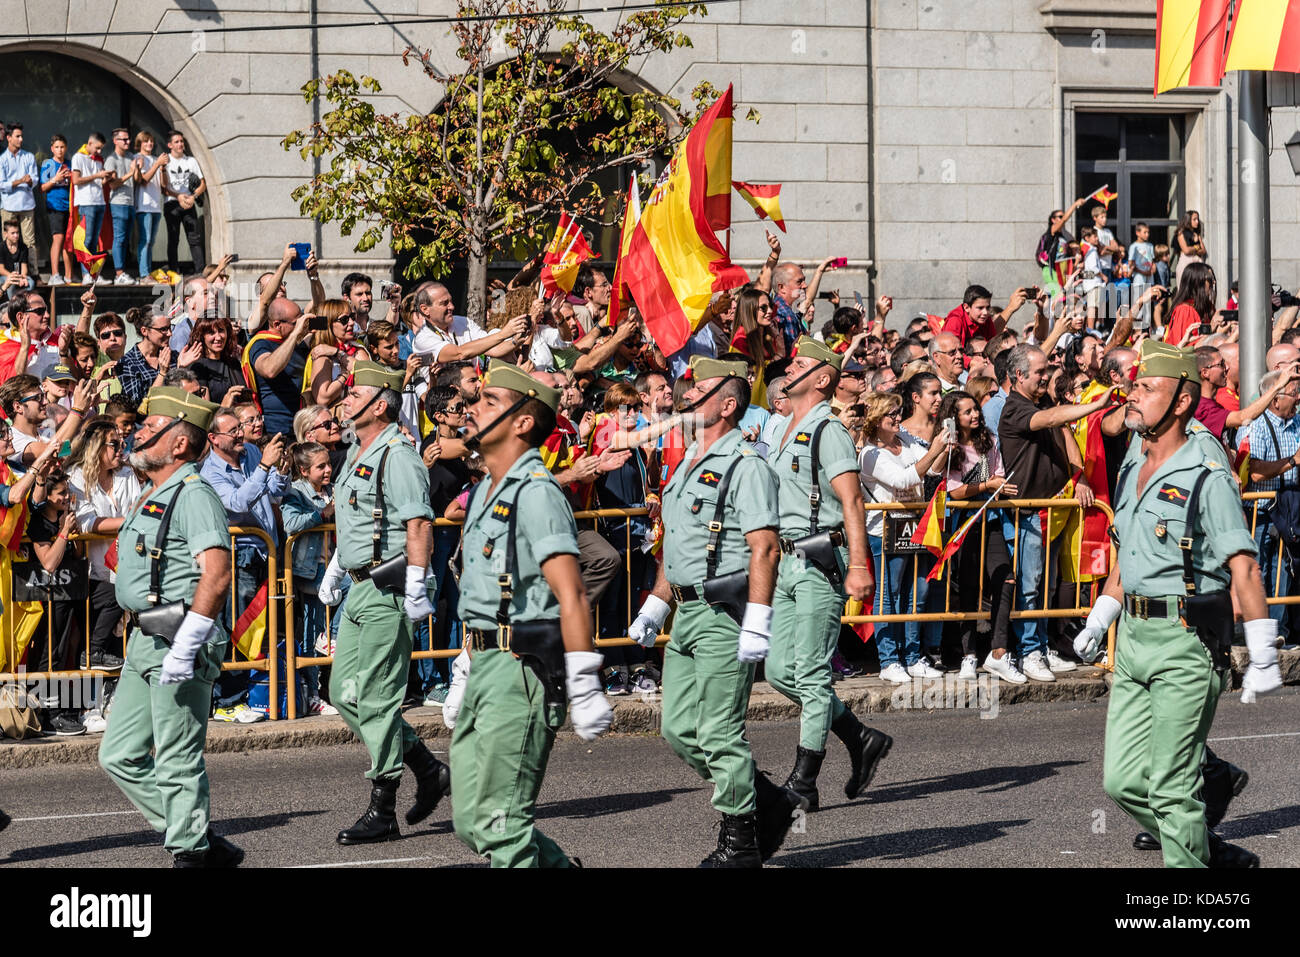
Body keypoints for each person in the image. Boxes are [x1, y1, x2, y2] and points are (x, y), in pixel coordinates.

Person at [1074, 339, 1279, 868]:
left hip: (1185, 641)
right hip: (1134, 640)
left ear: (1182, 400)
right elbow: (1131, 548)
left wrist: (1261, 649)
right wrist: (1104, 612)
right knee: (1121, 782)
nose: (1133, 395)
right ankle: (1210, 853)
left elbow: (1244, 564)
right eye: (1134, 385)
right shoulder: (1131, 464)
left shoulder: (1205, 471)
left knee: (1169, 787)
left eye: (1147, 388)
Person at [629, 355, 803, 867]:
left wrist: (758, 617)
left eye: (699, 391)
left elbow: (764, 546)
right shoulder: (688, 460)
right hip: (686, 612)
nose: (687, 398)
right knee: (678, 729)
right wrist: (657, 605)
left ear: (728, 405)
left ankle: (741, 844)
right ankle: (768, 802)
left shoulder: (745, 465)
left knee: (720, 733)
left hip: (725, 613)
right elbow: (678, 544)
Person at [441, 359, 613, 867]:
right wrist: (467, 664)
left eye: (488, 401)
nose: (471, 406)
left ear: (521, 422)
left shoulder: (536, 493)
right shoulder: (488, 492)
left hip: (522, 673)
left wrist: (584, 681)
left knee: (502, 823)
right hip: (488, 666)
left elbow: (572, 593)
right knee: (473, 819)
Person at [97, 386, 245, 867]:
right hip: (144, 637)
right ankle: (195, 833)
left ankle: (190, 853)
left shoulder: (193, 494)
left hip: (177, 636)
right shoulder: (154, 491)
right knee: (118, 755)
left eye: (150, 426)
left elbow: (217, 572)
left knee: (178, 759)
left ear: (179, 443)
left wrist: (188, 644)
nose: (138, 432)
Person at [316, 361, 451, 844]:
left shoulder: (398, 455)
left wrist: (417, 583)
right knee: (342, 694)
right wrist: (339, 567)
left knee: (375, 697)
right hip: (360, 585)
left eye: (356, 393)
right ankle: (426, 766)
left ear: (380, 405)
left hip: (388, 588)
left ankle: (383, 808)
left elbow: (418, 524)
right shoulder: (359, 449)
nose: (345, 399)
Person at [762, 337, 892, 810]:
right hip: (784, 563)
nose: (790, 365)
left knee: (813, 674)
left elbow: (852, 500)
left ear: (821, 379)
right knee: (779, 671)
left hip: (820, 560)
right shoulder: (779, 429)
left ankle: (803, 781)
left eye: (801, 362)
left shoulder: (827, 430)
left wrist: (859, 565)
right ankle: (859, 738)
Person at [996, 344, 1114, 681]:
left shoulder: (1041, 400)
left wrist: (1078, 477)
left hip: (1055, 506)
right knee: (1030, 586)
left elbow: (1062, 433)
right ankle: (1030, 651)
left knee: (1045, 585)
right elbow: (1051, 419)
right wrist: (1093, 405)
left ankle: (1042, 645)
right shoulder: (1014, 409)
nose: (1046, 377)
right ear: (1018, 376)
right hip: (1029, 513)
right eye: (1039, 373)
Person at [858, 391, 954, 682]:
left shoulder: (907, 440)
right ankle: (889, 660)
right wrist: (934, 450)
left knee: (918, 592)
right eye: (891, 414)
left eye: (898, 412)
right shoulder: (870, 453)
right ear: (876, 420)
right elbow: (904, 479)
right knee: (890, 594)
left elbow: (928, 472)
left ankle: (912, 656)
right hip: (884, 529)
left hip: (915, 525)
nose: (897, 418)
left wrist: (943, 451)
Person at [937, 390, 1019, 681]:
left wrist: (995, 485)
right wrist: (987, 485)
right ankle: (968, 655)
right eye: (967, 411)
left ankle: (998, 652)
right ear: (954, 417)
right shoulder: (951, 446)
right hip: (965, 525)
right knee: (969, 588)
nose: (974, 415)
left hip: (992, 520)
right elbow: (954, 490)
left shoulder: (989, 441)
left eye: (976, 410)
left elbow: (999, 475)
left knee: (1005, 578)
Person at [68, 417, 141, 673]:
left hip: (127, 565)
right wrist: (129, 521)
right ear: (97, 447)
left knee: (121, 640)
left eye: (122, 443)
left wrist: (125, 521)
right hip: (93, 569)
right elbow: (87, 523)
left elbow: (138, 507)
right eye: (114, 444)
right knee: (91, 635)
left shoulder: (126, 473)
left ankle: (110, 701)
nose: (122, 448)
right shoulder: (75, 477)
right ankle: (86, 705)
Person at [279, 441, 339, 716]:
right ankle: (312, 693)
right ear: (303, 471)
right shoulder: (296, 492)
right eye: (321, 467)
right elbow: (291, 523)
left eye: (328, 464)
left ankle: (333, 636)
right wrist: (321, 514)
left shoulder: (331, 490)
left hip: (334, 567)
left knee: (362, 586)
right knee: (312, 633)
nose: (328, 470)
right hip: (310, 572)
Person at [159, 130, 206, 273]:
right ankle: (174, 271)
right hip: (172, 203)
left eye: (181, 141)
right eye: (177, 142)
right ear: (170, 145)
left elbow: (202, 184)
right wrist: (177, 195)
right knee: (173, 239)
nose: (180, 144)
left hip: (188, 203)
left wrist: (193, 196)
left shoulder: (191, 161)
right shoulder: (166, 162)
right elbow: (163, 188)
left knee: (194, 238)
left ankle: (200, 271)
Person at [70, 132, 111, 284]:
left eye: (101, 149)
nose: (99, 151)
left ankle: (93, 275)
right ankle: (85, 274)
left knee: (94, 241)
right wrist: (97, 175)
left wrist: (106, 177)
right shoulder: (78, 157)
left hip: (99, 201)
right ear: (90, 143)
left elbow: (100, 182)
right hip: (86, 202)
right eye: (98, 148)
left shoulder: (99, 159)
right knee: (85, 241)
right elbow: (75, 180)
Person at [0, 123, 39, 279]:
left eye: (21, 136)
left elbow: (35, 179)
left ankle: (34, 273)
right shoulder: (2, 159)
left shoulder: (28, 156)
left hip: (27, 203)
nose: (21, 139)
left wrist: (29, 181)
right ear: (9, 138)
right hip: (8, 205)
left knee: (30, 241)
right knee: (7, 240)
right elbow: (2, 184)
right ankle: (7, 274)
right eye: (17, 136)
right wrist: (19, 181)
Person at [103, 129, 140, 284]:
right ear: (115, 141)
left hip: (131, 202)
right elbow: (113, 185)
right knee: (119, 238)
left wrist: (137, 168)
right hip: (118, 202)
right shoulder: (111, 160)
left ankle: (123, 272)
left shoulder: (131, 156)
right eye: (124, 139)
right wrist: (130, 173)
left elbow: (137, 179)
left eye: (128, 139)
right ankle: (119, 273)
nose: (128, 142)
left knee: (126, 240)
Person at [179, 316, 244, 405]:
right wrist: (225, 405)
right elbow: (205, 408)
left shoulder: (234, 363)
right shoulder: (198, 367)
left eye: (221, 331)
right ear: (202, 336)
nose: (218, 337)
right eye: (211, 332)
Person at [39, 134, 75, 285]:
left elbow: (76, 182)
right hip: (55, 206)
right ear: (52, 149)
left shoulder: (70, 162)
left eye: (62, 147)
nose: (60, 150)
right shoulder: (48, 163)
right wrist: (56, 179)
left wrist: (73, 177)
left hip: (70, 207)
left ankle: (68, 276)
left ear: (66, 148)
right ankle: (55, 274)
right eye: (57, 147)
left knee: (69, 242)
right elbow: (43, 187)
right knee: (58, 239)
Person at [132, 130, 167, 280]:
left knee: (151, 242)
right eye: (146, 141)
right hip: (143, 205)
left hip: (156, 206)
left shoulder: (155, 159)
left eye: (151, 141)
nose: (150, 144)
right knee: (145, 240)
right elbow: (143, 180)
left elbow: (164, 185)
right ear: (139, 143)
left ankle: (148, 271)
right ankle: (144, 273)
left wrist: (162, 168)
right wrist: (157, 164)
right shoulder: (137, 158)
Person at [1164, 261, 1217, 347]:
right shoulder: (1185, 310)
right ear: (1197, 282)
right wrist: (1213, 329)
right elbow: (1185, 349)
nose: (1214, 282)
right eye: (1210, 279)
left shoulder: (1207, 306)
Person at [1174, 210, 1206, 288]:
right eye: (1194, 219)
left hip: (1198, 262)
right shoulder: (1181, 233)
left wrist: (1194, 249)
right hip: (1186, 262)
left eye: (1197, 219)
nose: (1197, 222)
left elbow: (1203, 251)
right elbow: (1186, 250)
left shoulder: (1197, 234)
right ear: (1188, 220)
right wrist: (1196, 247)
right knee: (1184, 289)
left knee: (1198, 289)